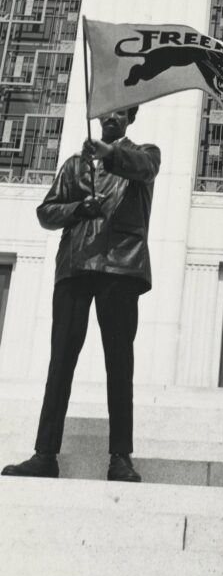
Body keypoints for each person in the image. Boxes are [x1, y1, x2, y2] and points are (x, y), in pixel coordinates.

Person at [2, 106, 160, 483]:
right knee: (60, 364)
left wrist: (107, 154)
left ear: (130, 119)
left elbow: (144, 168)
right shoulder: (75, 165)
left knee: (119, 365)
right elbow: (46, 211)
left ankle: (120, 457)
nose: (113, 118)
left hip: (120, 267)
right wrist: (77, 209)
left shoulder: (145, 153)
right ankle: (45, 454)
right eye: (108, 112)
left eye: (121, 113)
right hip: (75, 266)